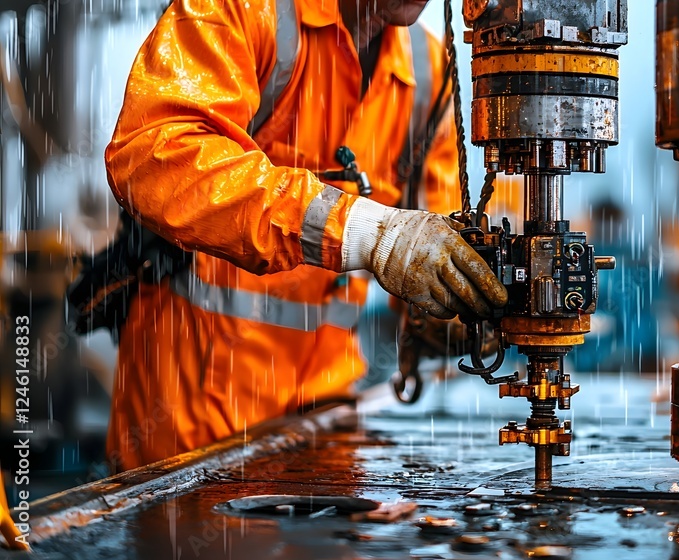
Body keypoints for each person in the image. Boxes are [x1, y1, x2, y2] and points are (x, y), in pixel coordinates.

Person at [103, 0, 506, 471]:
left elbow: (432, 233)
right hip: (190, 427)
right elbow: (154, 155)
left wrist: (446, 312)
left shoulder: (427, 71)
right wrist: (362, 232)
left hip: (324, 421)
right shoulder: (245, 10)